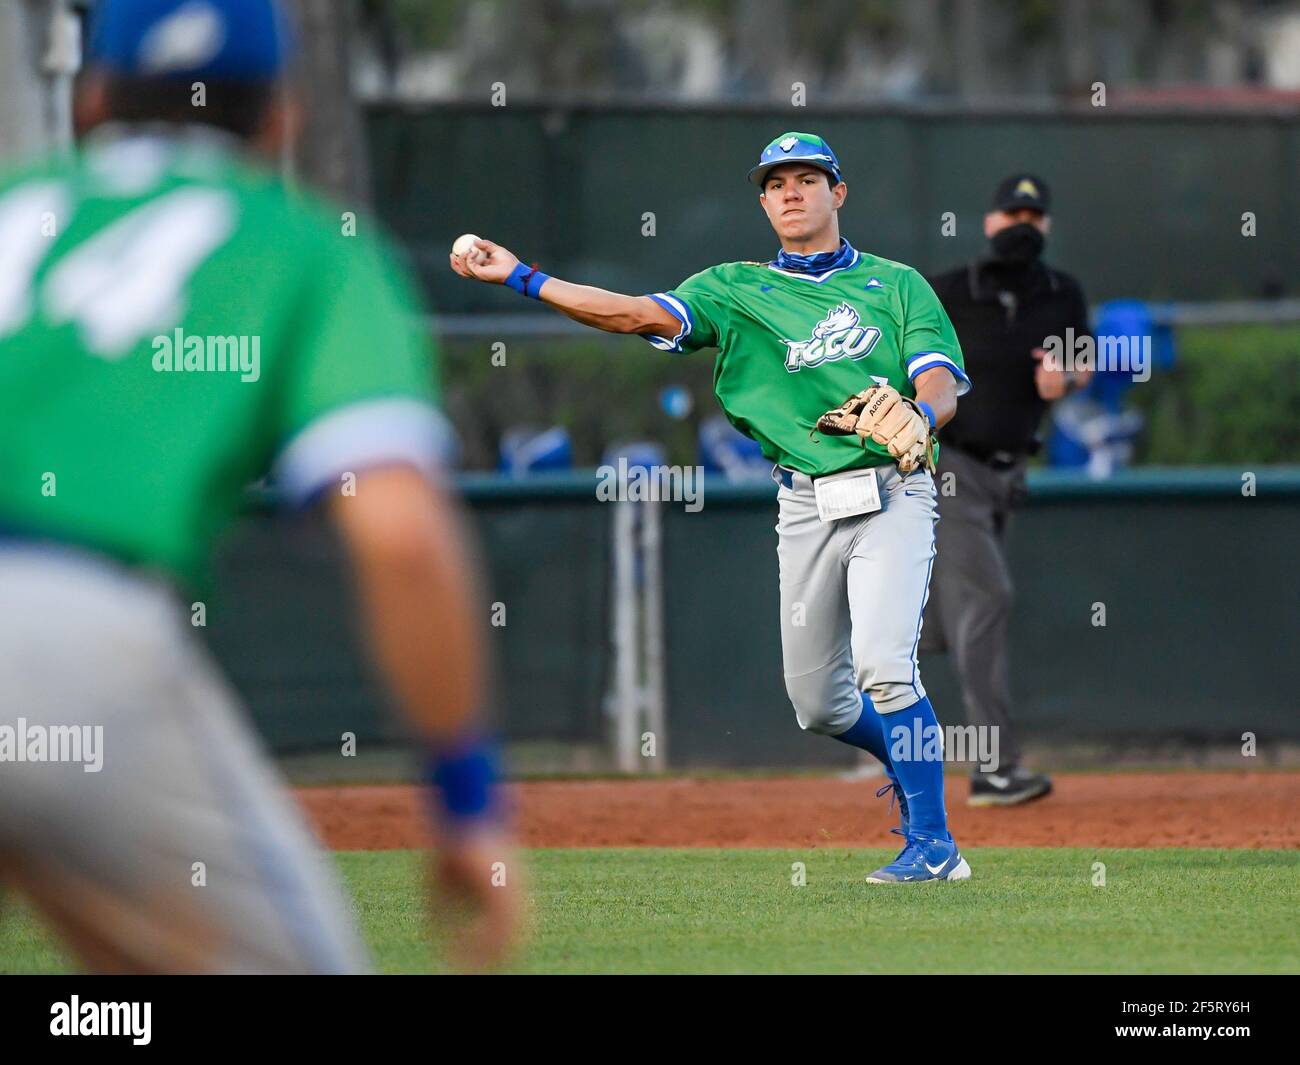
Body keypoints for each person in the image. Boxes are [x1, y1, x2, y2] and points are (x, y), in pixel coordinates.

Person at [0, 0, 518, 972]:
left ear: (92, 99)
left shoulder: (12, 200)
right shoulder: (304, 247)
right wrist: (465, 800)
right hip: (68, 639)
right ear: (282, 116)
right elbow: (401, 535)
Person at [453, 132, 973, 883]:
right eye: (776, 183)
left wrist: (922, 419)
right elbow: (633, 314)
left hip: (893, 494)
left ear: (839, 191)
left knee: (886, 669)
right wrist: (525, 277)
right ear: (763, 202)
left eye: (807, 178)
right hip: (804, 505)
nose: (792, 192)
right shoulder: (731, 289)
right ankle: (915, 768)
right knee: (817, 705)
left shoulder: (896, 286)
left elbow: (940, 385)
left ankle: (933, 845)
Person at [925, 174, 1092, 806]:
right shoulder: (947, 291)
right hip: (948, 467)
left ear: (1045, 224)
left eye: (1033, 212)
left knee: (950, 621)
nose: (1023, 221)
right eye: (1011, 211)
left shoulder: (1061, 294)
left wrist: (1069, 377)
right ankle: (993, 767)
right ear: (989, 221)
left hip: (1008, 473)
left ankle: (869, 686)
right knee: (989, 597)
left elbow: (1077, 363)